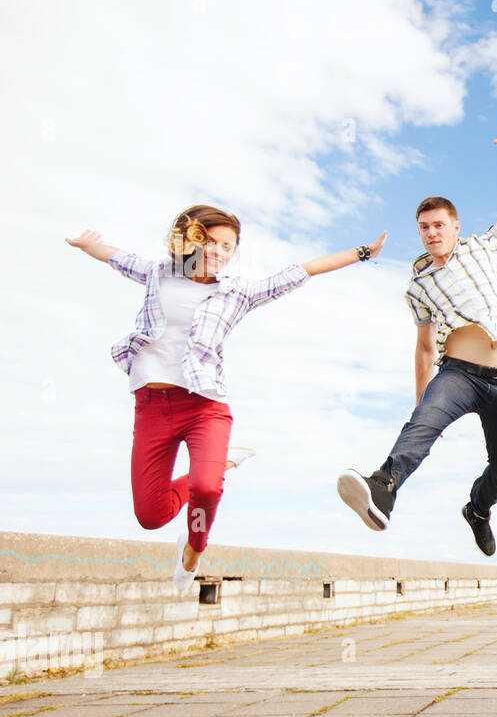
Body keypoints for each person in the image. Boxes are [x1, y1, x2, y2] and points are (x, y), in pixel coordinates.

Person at [66, 206, 386, 591]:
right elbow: (117, 258)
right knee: (151, 516)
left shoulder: (238, 292)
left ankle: (195, 549)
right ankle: (225, 463)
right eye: (211, 242)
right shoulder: (159, 273)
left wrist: (363, 253)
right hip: (151, 407)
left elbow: (305, 270)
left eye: (228, 246)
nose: (218, 252)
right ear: (192, 240)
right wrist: (86, 245)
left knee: (206, 487)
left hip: (204, 407)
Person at [337, 112, 497, 557]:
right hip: (458, 374)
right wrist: (423, 399)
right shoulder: (418, 284)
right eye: (424, 227)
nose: (431, 233)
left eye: (439, 225)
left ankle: (478, 510)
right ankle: (382, 488)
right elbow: (425, 348)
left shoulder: (485, 248)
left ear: (456, 227)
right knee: (420, 426)